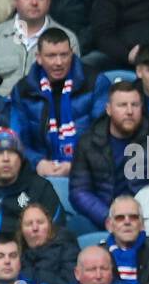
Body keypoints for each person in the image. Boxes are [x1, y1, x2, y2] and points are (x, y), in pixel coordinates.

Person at [7, 28, 110, 177]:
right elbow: (17, 139)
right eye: (51, 56)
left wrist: (77, 164)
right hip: (39, 172)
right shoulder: (23, 90)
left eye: (64, 55)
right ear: (39, 57)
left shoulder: (95, 82)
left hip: (89, 171)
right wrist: (38, 163)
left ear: (72, 53)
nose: (59, 62)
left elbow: (104, 135)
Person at [68, 83, 149, 229]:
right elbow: (79, 191)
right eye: (122, 105)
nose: (130, 111)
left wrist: (142, 217)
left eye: (135, 105)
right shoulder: (88, 141)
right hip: (105, 218)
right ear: (109, 109)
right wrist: (108, 217)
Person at [0, 0, 81, 96]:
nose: (34, 2)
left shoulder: (67, 38)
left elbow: (74, 82)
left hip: (44, 107)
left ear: (49, 1)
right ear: (15, 1)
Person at [0, 128, 64, 234]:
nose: (6, 158)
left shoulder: (41, 189)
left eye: (12, 152)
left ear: (21, 159)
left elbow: (58, 236)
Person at [17, 200, 78, 284]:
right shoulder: (15, 254)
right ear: (22, 230)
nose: (35, 228)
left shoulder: (66, 247)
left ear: (49, 225)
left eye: (40, 222)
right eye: (29, 224)